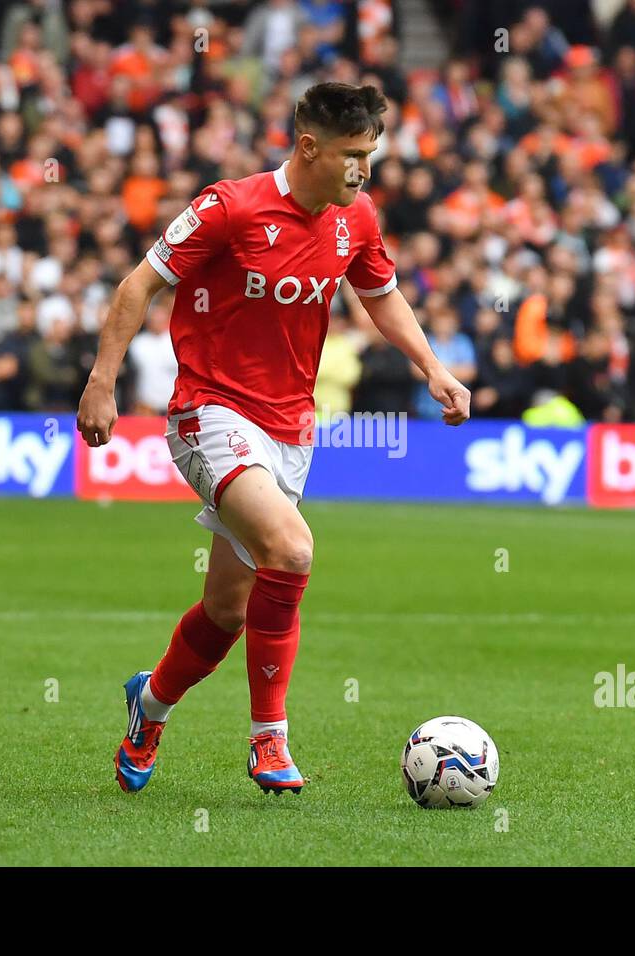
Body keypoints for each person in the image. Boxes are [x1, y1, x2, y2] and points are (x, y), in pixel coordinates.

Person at [75, 83, 471, 796]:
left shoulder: (357, 219)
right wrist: (103, 380)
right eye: (352, 156)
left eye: (371, 155)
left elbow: (379, 293)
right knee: (292, 549)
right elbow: (138, 285)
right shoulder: (230, 207)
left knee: (227, 610)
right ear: (309, 146)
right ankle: (269, 740)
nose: (363, 171)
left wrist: (433, 368)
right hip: (209, 412)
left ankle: (150, 706)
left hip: (291, 429)